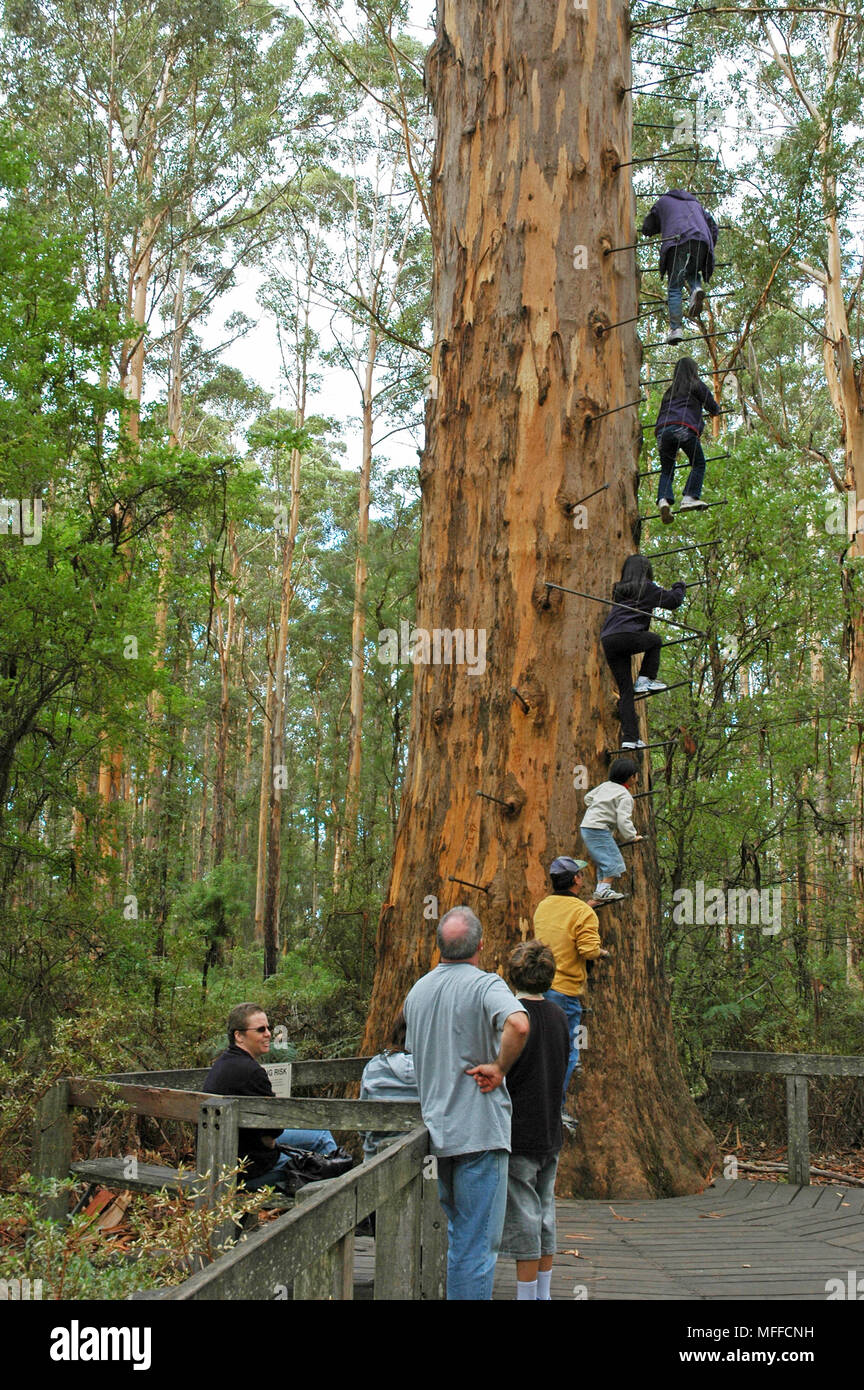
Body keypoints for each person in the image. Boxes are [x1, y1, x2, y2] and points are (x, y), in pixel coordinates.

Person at [404, 907, 530, 1301]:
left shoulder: (417, 992)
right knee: (477, 1248)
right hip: (479, 1133)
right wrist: (499, 1067)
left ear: (438, 946)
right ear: (480, 945)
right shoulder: (485, 984)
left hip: (438, 1134)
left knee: (462, 1238)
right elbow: (519, 1023)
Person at [203, 1003, 352, 1191]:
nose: (268, 1034)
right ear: (239, 1036)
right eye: (260, 1029)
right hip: (244, 1171)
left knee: (315, 1136)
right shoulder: (252, 1073)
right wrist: (272, 1145)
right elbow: (270, 1137)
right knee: (321, 1139)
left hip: (218, 1160)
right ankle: (343, 1196)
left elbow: (271, 1134)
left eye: (268, 1028)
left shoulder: (222, 1064)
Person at [495, 941, 570, 1301]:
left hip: (518, 1132)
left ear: (513, 975)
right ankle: (543, 1294)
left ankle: (526, 1297)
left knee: (524, 1215)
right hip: (550, 1130)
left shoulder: (512, 1019)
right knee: (545, 1211)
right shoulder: (559, 1016)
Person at [533, 858, 607, 1124]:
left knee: (540, 1050)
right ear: (576, 880)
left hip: (538, 989)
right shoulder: (583, 913)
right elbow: (587, 950)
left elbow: (560, 926)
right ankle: (554, 1108)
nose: (582, 877)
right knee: (566, 1053)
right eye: (580, 874)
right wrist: (603, 951)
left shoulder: (544, 907)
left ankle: (535, 1105)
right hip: (564, 992)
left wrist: (584, 909)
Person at [600, 554, 686, 750]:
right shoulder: (646, 587)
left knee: (626, 692)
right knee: (655, 641)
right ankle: (645, 679)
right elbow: (673, 601)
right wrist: (679, 586)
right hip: (626, 636)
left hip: (609, 639)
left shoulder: (620, 590)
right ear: (646, 571)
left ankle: (629, 737)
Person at [640, 189, 719, 343]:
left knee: (675, 286)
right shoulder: (695, 204)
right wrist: (709, 245)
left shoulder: (663, 202)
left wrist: (657, 227)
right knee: (692, 271)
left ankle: (676, 329)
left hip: (678, 241)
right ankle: (696, 288)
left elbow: (647, 227)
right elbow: (713, 227)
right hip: (701, 240)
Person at [654, 356, 721, 522]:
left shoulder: (669, 392)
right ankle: (689, 497)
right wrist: (715, 411)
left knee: (667, 469)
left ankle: (663, 500)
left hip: (662, 432)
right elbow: (710, 404)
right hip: (683, 428)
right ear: (693, 371)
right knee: (698, 463)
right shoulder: (695, 384)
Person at [580, 758, 642, 903]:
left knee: (604, 862)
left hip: (587, 827)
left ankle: (600, 891)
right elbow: (623, 819)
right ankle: (603, 891)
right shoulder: (625, 796)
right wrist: (632, 836)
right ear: (632, 777)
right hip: (599, 830)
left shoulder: (606, 786)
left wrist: (599, 807)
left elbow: (588, 798)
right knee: (614, 862)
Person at [359, 1012, 418, 1159]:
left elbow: (362, 1125)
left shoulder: (373, 1067)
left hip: (375, 1163)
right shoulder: (437, 1069)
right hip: (427, 1165)